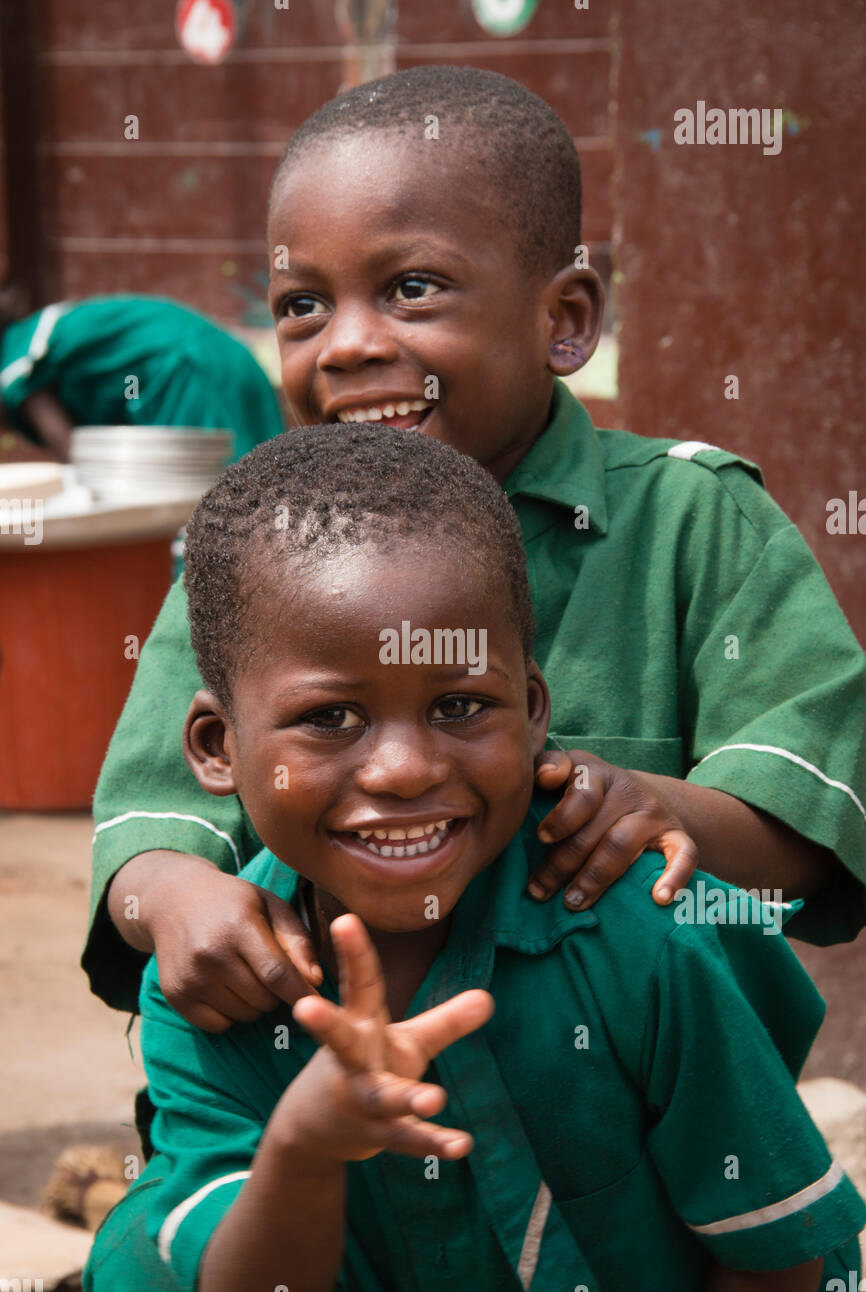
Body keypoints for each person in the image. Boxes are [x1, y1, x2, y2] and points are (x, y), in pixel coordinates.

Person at [84, 67, 866, 1096]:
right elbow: (151, 823)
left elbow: (811, 821)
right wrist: (171, 895)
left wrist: (663, 811)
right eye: (302, 305)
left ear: (565, 319)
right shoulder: (259, 544)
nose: (351, 342)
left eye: (410, 288)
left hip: (647, 1136)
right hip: (335, 1147)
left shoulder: (690, 521)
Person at [83, 426, 866, 1292]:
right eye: (331, 719)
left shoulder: (643, 929)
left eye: (459, 705)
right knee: (136, 1273)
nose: (406, 769)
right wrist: (304, 1150)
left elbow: (773, 1261)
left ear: (534, 710)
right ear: (216, 747)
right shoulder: (216, 982)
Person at [0, 291, 284, 463]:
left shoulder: (14, 358)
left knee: (220, 516)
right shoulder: (42, 336)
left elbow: (76, 457)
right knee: (263, 491)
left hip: (189, 372)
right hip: (225, 360)